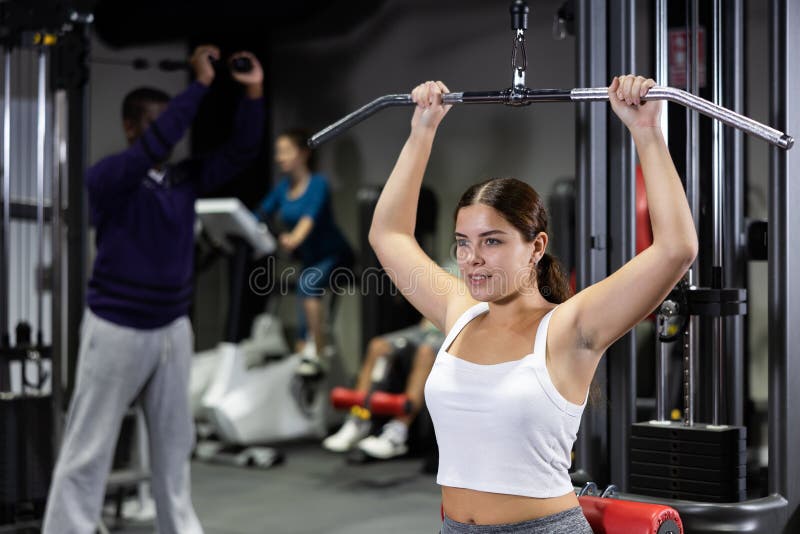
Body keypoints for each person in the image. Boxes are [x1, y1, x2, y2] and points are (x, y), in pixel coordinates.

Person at [368, 75, 697, 533]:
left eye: (493, 241)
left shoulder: (569, 327)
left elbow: (676, 249)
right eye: (462, 242)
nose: (471, 258)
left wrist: (646, 131)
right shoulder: (458, 313)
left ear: (536, 246)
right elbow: (388, 235)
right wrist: (422, 130)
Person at [43, 45, 264, 534]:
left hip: (170, 330)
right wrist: (201, 85)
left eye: (168, 121)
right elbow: (162, 136)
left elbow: (242, 152)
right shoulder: (109, 178)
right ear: (130, 126)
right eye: (153, 122)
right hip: (116, 327)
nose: (168, 131)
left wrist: (252, 93)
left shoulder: (182, 180)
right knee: (88, 448)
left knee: (173, 448)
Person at [254, 129, 354, 375]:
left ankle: (318, 354)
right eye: (278, 152)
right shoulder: (283, 187)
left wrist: (294, 238)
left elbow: (309, 218)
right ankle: (302, 348)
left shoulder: (318, 184)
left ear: (303, 154)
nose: (280, 157)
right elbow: (260, 214)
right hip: (309, 259)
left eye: (285, 151)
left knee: (308, 287)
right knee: (303, 288)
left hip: (334, 254)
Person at [322, 318, 443, 459]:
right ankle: (359, 419)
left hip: (454, 330)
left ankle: (398, 432)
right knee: (378, 346)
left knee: (425, 352)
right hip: (428, 327)